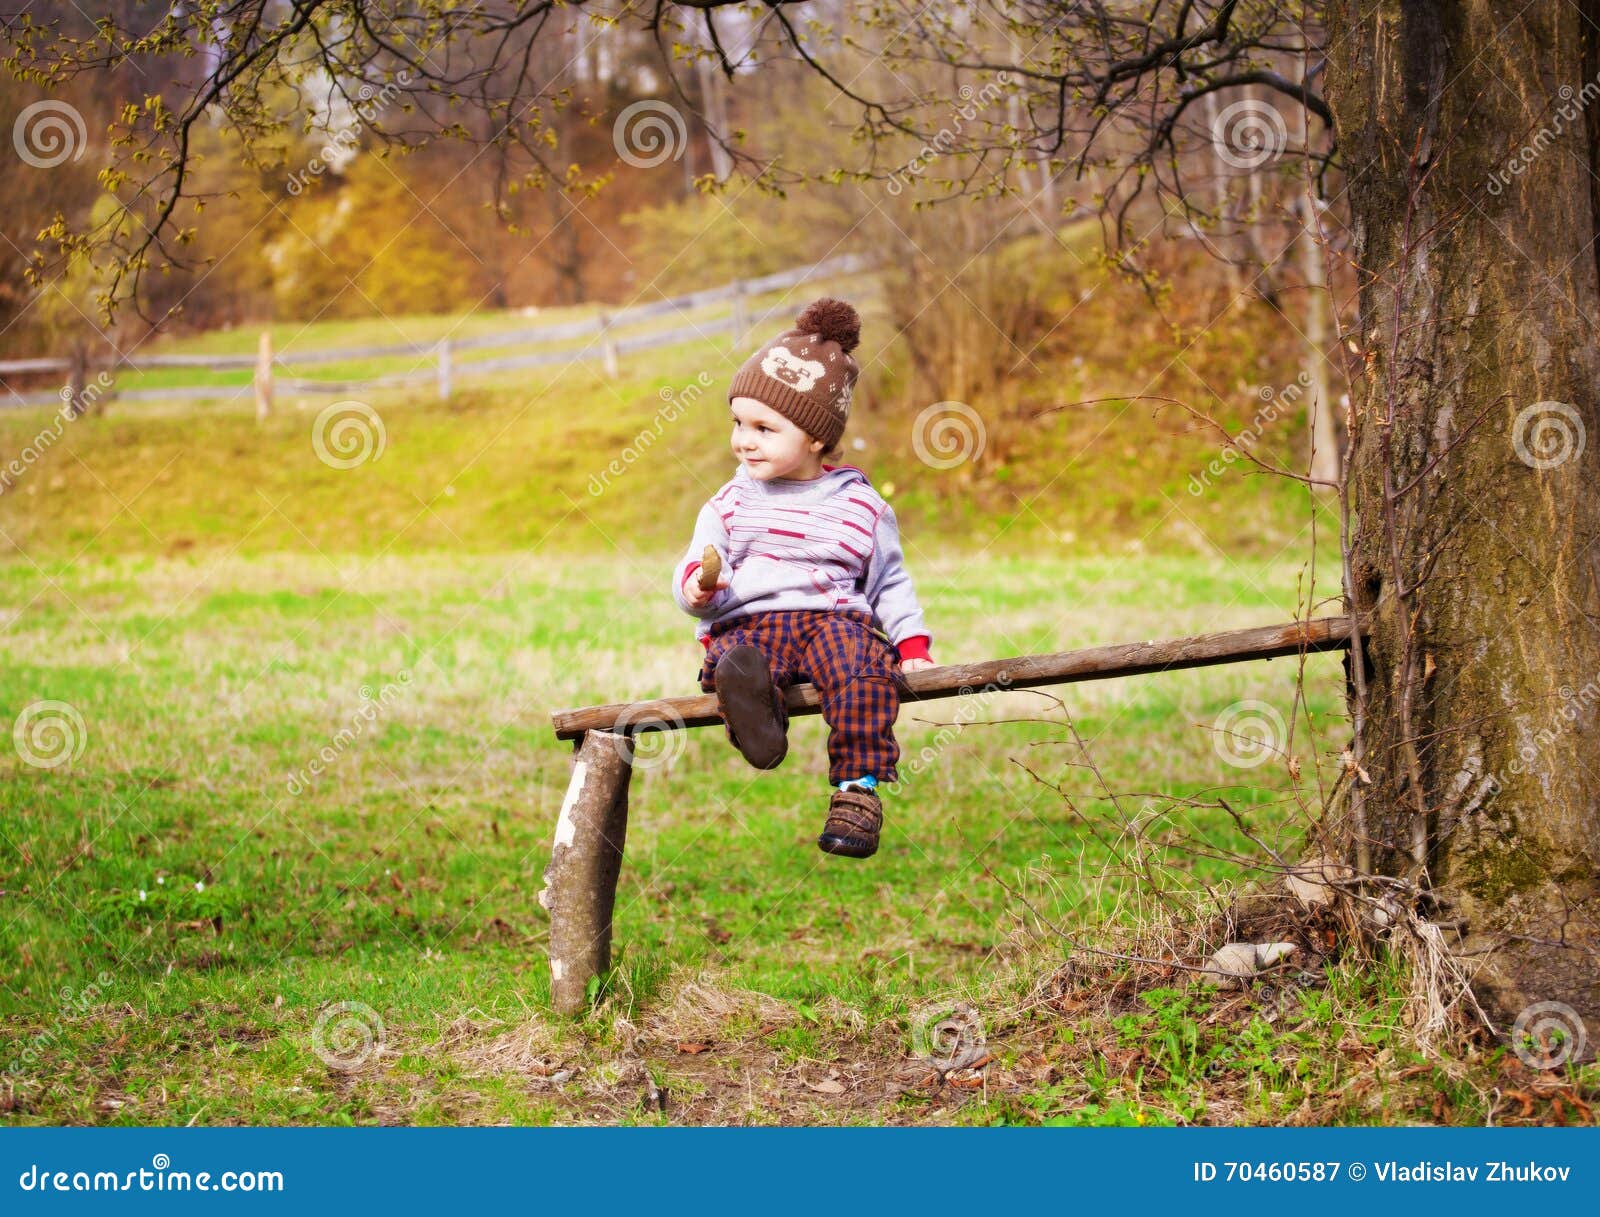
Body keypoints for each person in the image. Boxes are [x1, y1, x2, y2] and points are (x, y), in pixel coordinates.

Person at [670, 297, 935, 860]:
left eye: (765, 428)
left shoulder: (859, 504)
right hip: (750, 619)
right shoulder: (731, 501)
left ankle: (856, 795)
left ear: (815, 437)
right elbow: (697, 567)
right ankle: (754, 714)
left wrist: (911, 644)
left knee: (863, 668)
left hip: (833, 619)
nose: (744, 440)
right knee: (737, 657)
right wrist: (697, 587)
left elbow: (888, 582)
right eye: (738, 422)